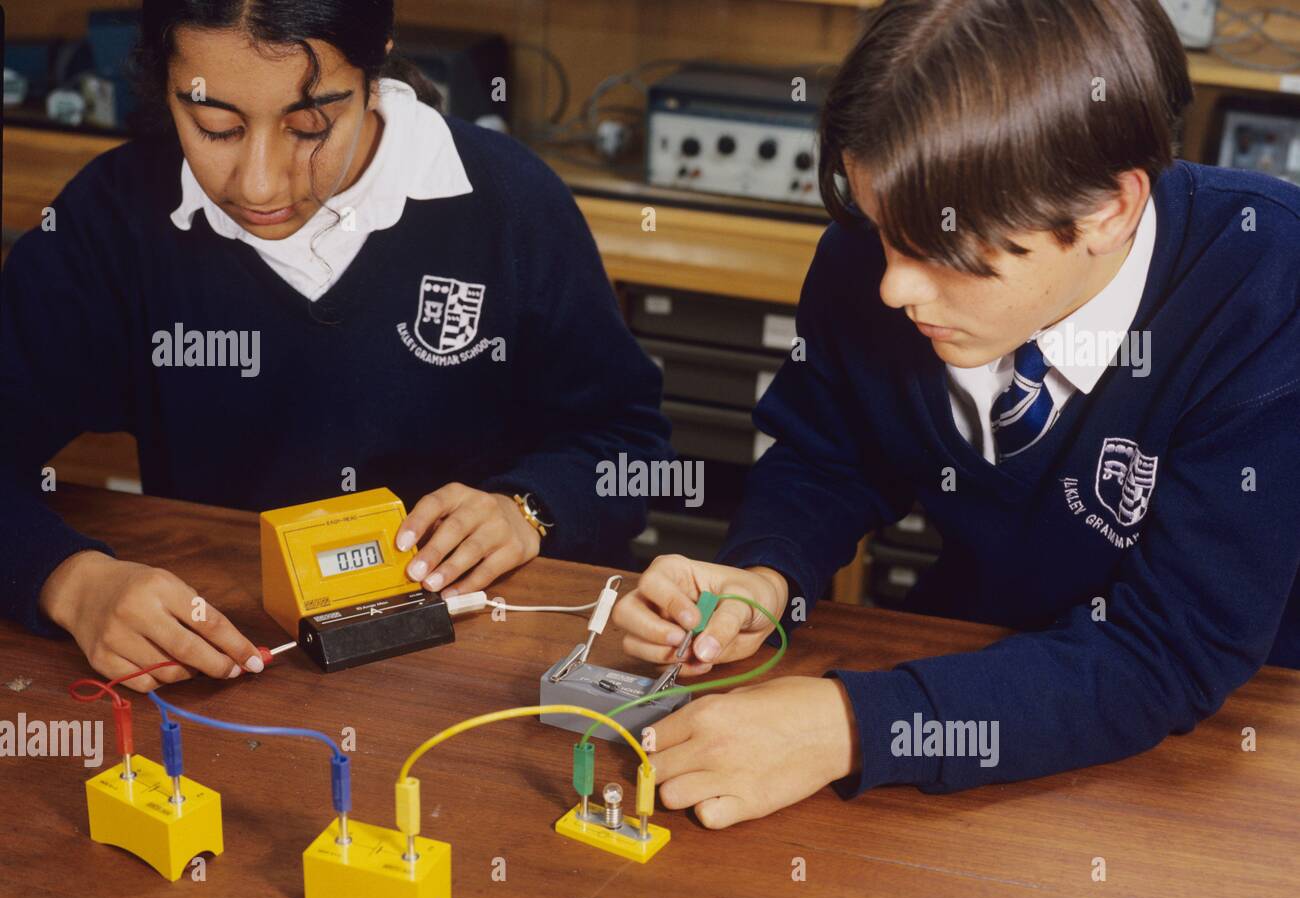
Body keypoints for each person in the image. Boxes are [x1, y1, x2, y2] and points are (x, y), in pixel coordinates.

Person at [614, 0, 1300, 828]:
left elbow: (1168, 652)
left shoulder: (1267, 290)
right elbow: (831, 456)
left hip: (1218, 736)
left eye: (943, 252)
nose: (894, 288)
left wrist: (853, 727)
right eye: (882, 232)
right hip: (968, 661)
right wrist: (768, 575)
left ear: (1107, 212)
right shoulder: (872, 258)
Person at [0, 0, 671, 692]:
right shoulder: (109, 223)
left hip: (471, 662)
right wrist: (67, 580)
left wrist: (530, 508)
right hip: (234, 661)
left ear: (376, 63)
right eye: (215, 127)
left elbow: (629, 443)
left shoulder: (509, 203)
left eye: (311, 125)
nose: (259, 183)